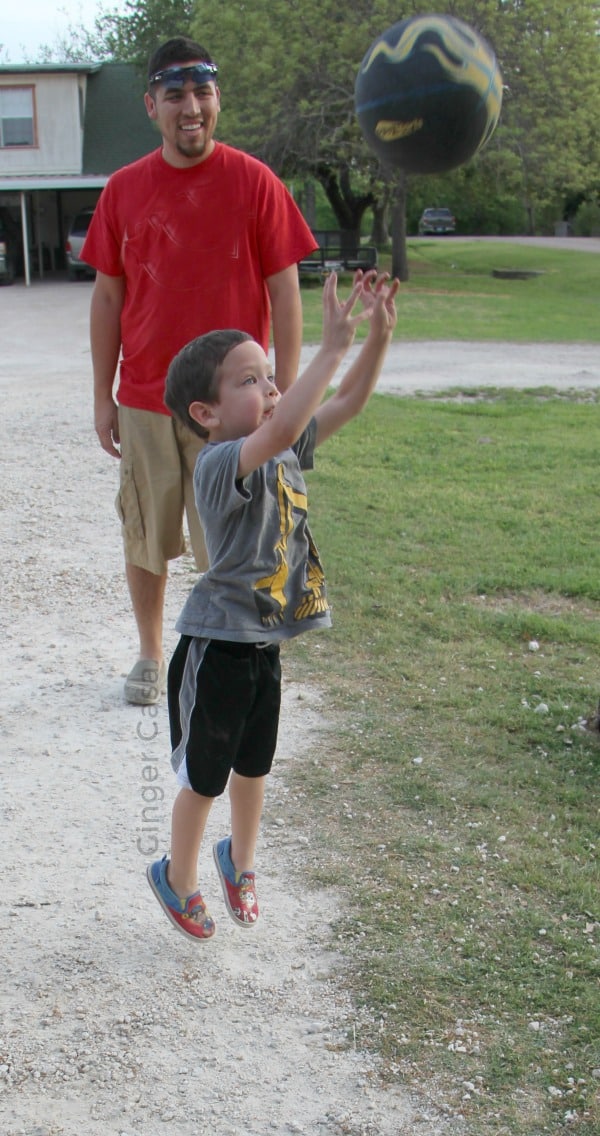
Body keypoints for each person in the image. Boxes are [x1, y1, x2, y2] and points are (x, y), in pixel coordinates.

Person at [146, 267, 399, 940]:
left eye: (268, 375)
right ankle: (177, 877)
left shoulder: (280, 447)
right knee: (206, 776)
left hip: (264, 643)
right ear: (205, 413)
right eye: (248, 379)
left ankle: (241, 861)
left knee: (254, 764)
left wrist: (375, 339)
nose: (268, 387)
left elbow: (345, 405)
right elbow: (285, 426)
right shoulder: (222, 461)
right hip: (219, 643)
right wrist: (331, 344)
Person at [82, 35, 318, 706]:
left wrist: (280, 392)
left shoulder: (254, 181)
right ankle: (152, 656)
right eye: (176, 94)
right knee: (145, 535)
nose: (192, 107)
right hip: (149, 400)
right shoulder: (125, 190)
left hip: (233, 407)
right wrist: (103, 397)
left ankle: (230, 651)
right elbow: (107, 297)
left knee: (235, 540)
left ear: (218, 101)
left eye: (203, 92)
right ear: (151, 104)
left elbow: (285, 288)